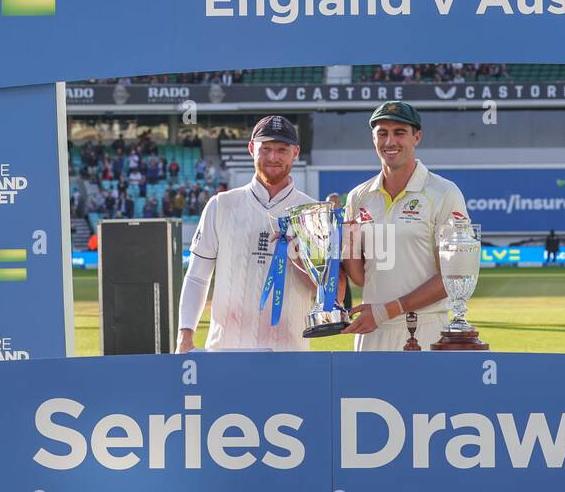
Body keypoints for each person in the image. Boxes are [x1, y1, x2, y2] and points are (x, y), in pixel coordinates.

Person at [176, 115, 316, 353]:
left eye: (282, 149)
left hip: (290, 353)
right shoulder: (221, 205)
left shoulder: (312, 212)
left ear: (295, 152)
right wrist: (185, 334)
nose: (273, 157)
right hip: (225, 352)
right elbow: (197, 277)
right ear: (252, 149)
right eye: (266, 149)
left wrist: (298, 257)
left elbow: (324, 290)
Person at [342, 101, 469, 351]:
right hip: (372, 331)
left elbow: (453, 277)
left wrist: (387, 311)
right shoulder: (359, 196)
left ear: (416, 137)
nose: (390, 141)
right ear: (373, 139)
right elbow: (359, 278)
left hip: (424, 329)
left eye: (399, 132)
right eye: (382, 133)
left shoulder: (443, 192)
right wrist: (337, 239)